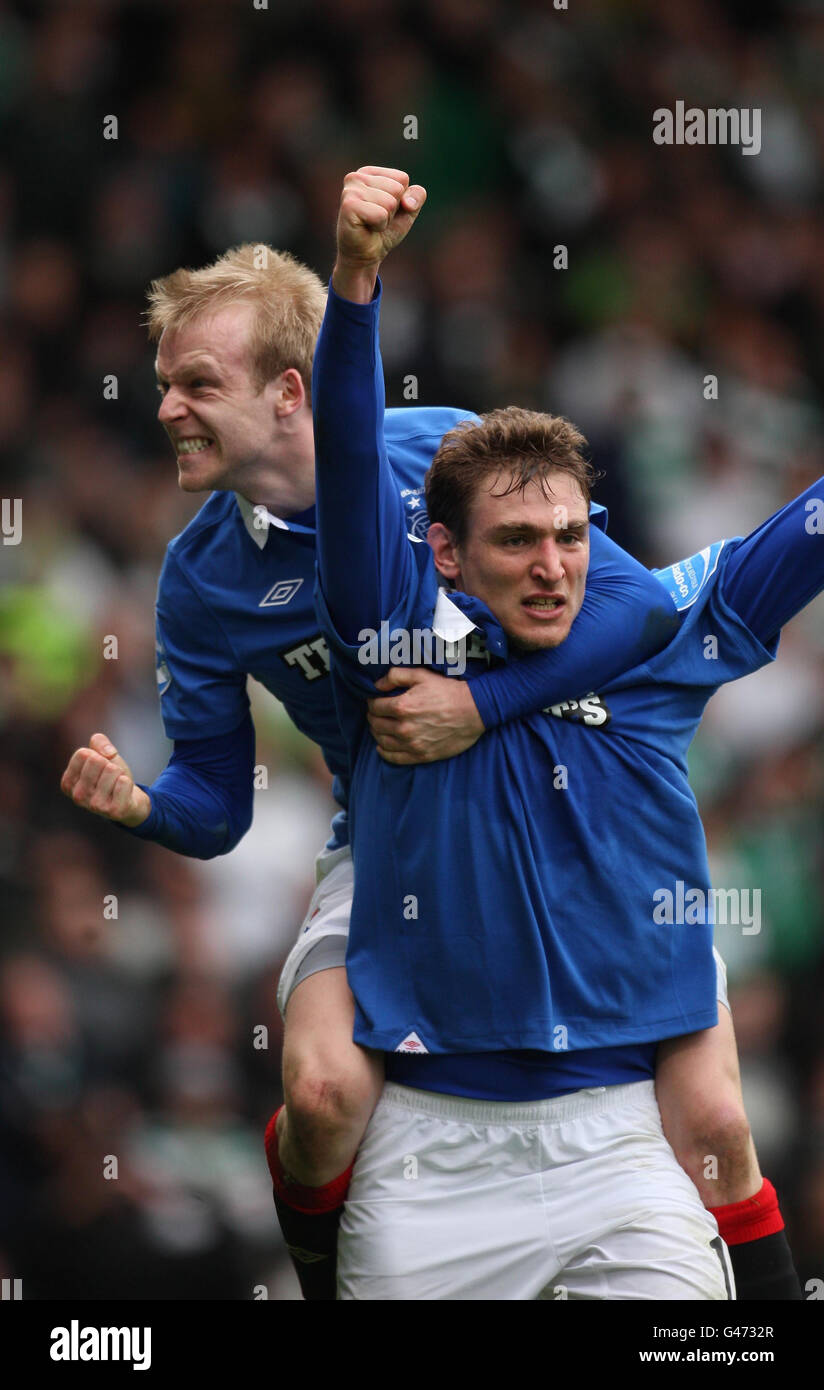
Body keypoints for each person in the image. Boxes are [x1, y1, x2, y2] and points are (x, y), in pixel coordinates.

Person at [59, 242, 789, 1301]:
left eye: (194, 383)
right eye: (164, 382)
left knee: (718, 1119)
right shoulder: (198, 580)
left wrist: (475, 704)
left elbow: (631, 608)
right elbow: (216, 803)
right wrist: (142, 807)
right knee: (316, 1092)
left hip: (542, 797)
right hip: (385, 827)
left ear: (289, 390)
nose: (164, 406)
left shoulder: (442, 457)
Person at [309, 165, 817, 1299]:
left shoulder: (652, 637)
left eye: (569, 535)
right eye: (514, 543)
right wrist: (353, 278)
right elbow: (344, 463)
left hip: (622, 1146)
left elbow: (796, 538)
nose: (551, 568)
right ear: (443, 554)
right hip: (431, 1154)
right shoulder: (393, 646)